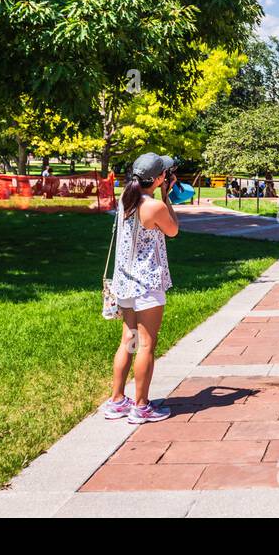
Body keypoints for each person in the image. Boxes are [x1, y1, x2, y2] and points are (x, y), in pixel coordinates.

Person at [101, 153, 179, 424]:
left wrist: (162, 189)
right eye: (163, 175)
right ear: (158, 178)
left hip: (124, 282)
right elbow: (173, 231)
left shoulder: (126, 198)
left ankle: (117, 400)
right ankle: (142, 406)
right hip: (147, 284)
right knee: (147, 344)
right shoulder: (154, 206)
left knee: (129, 341)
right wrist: (167, 196)